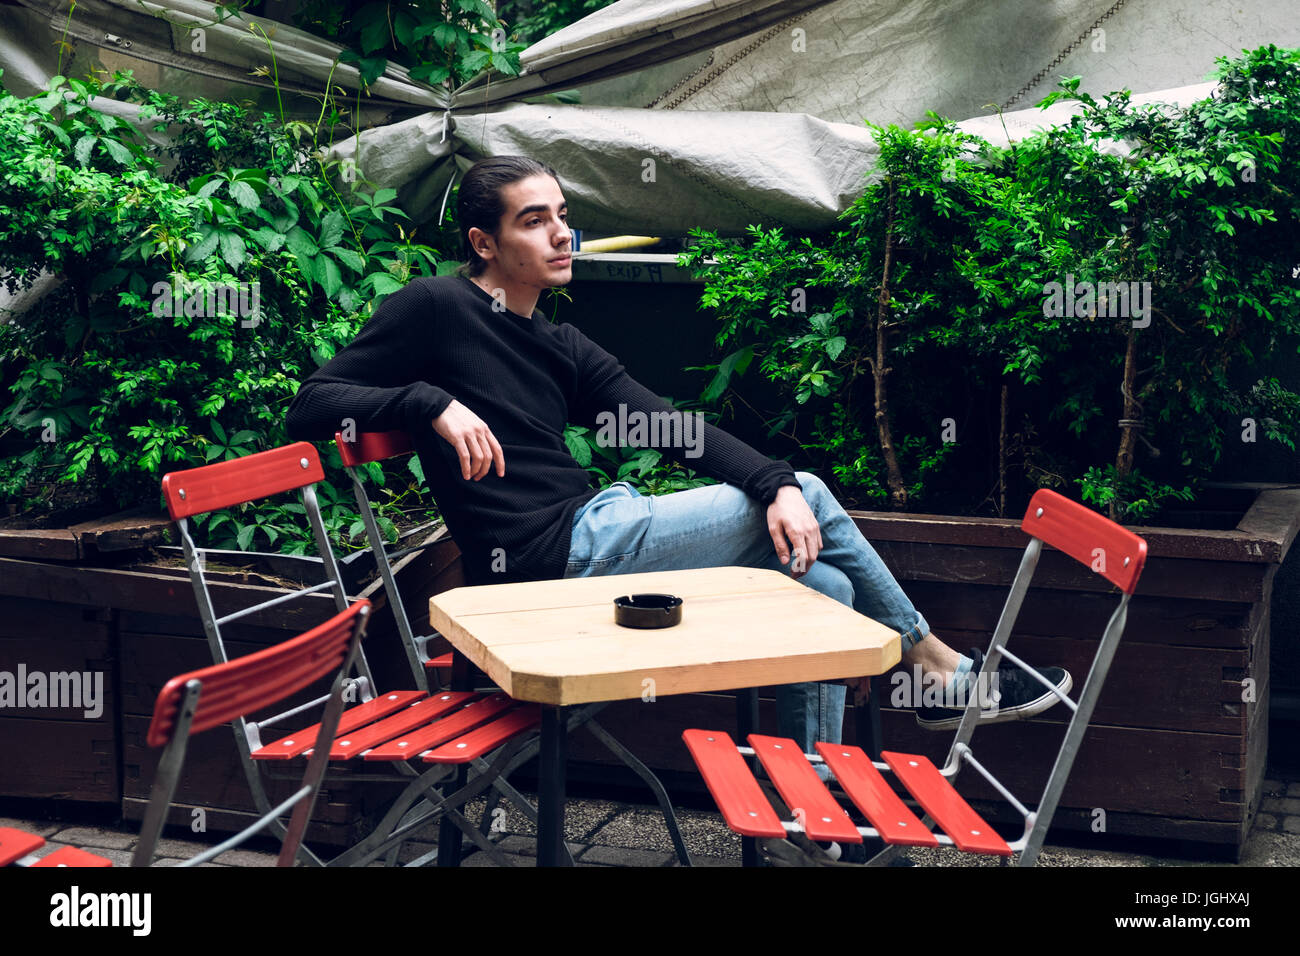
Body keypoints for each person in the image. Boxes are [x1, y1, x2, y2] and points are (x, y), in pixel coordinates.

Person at [285, 155, 1072, 757]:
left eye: (564, 215)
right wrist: (431, 402)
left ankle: (813, 788)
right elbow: (313, 404)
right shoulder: (435, 307)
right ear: (484, 243)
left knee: (822, 581)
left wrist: (768, 483)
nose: (562, 233)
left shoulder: (560, 344)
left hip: (600, 525)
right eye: (534, 221)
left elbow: (674, 430)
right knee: (813, 491)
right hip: (543, 559)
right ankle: (935, 665)